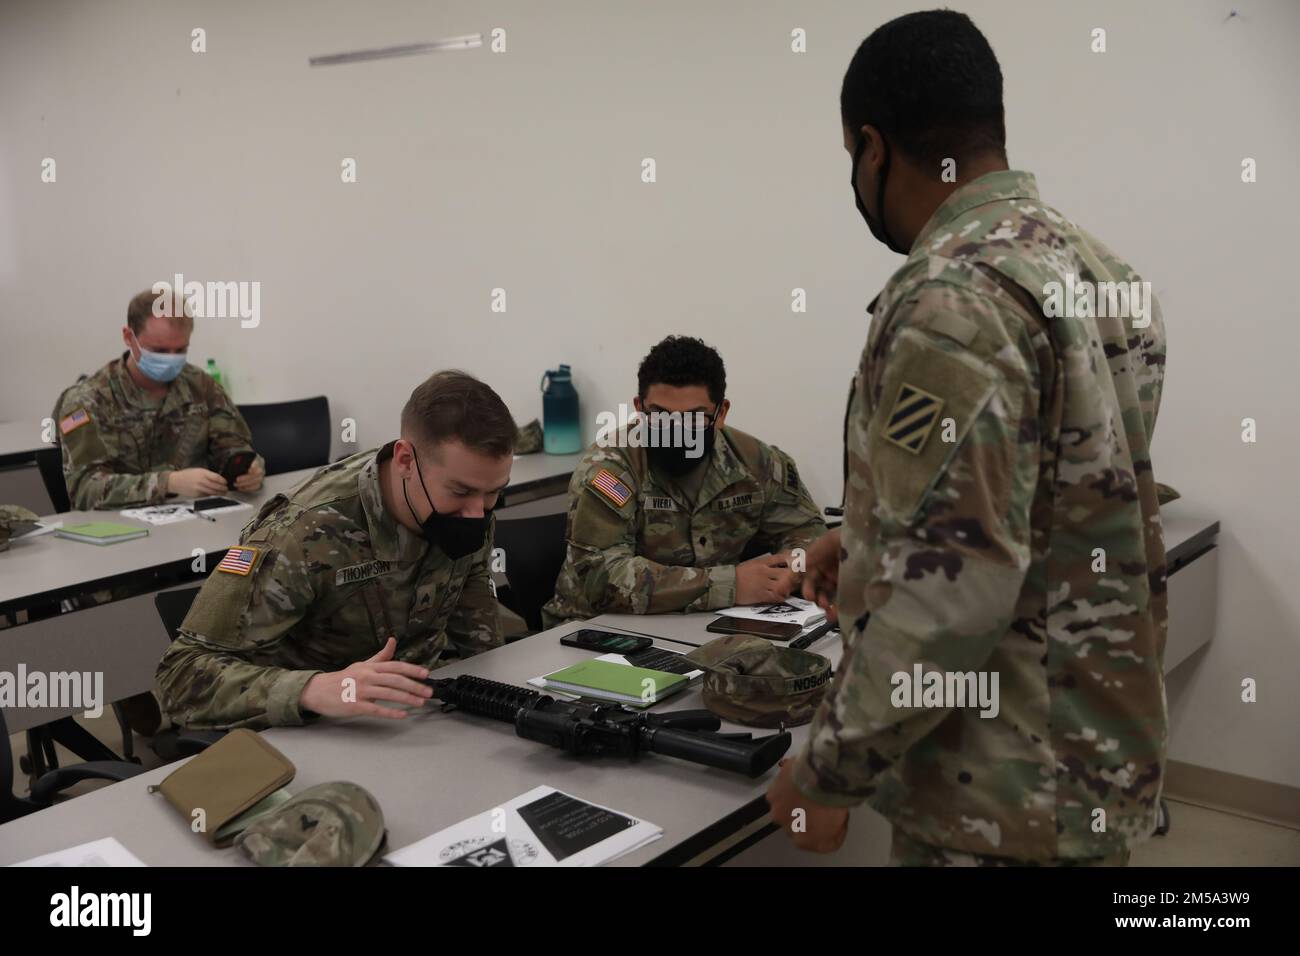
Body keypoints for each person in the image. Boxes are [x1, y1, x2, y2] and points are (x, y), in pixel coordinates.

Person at [766, 10, 1168, 867]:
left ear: (874, 149)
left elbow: (951, 599)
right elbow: (1060, 497)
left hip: (994, 792)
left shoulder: (950, 297)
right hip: (1084, 764)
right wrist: (865, 535)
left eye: (851, 161)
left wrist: (821, 775)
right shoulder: (1101, 271)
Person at [156, 370, 515, 730]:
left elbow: (480, 641)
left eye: (493, 492)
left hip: (415, 719)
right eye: (460, 491)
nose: (477, 512)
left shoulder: (469, 505)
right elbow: (179, 678)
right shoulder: (299, 533)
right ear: (406, 461)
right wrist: (311, 689)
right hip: (307, 730)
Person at [542, 335, 826, 627]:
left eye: (694, 418)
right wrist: (730, 585)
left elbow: (808, 529)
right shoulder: (611, 470)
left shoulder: (755, 462)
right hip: (598, 629)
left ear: (721, 413)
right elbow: (602, 579)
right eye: (661, 416)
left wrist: (792, 566)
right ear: (639, 408)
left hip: (705, 625)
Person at [55, 287, 263, 510]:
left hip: (194, 524)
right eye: (160, 350)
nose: (171, 359)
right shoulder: (84, 402)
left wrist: (250, 470)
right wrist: (168, 484)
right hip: (116, 533)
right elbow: (85, 491)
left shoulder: (200, 386)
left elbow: (233, 449)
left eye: (180, 349)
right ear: (128, 337)